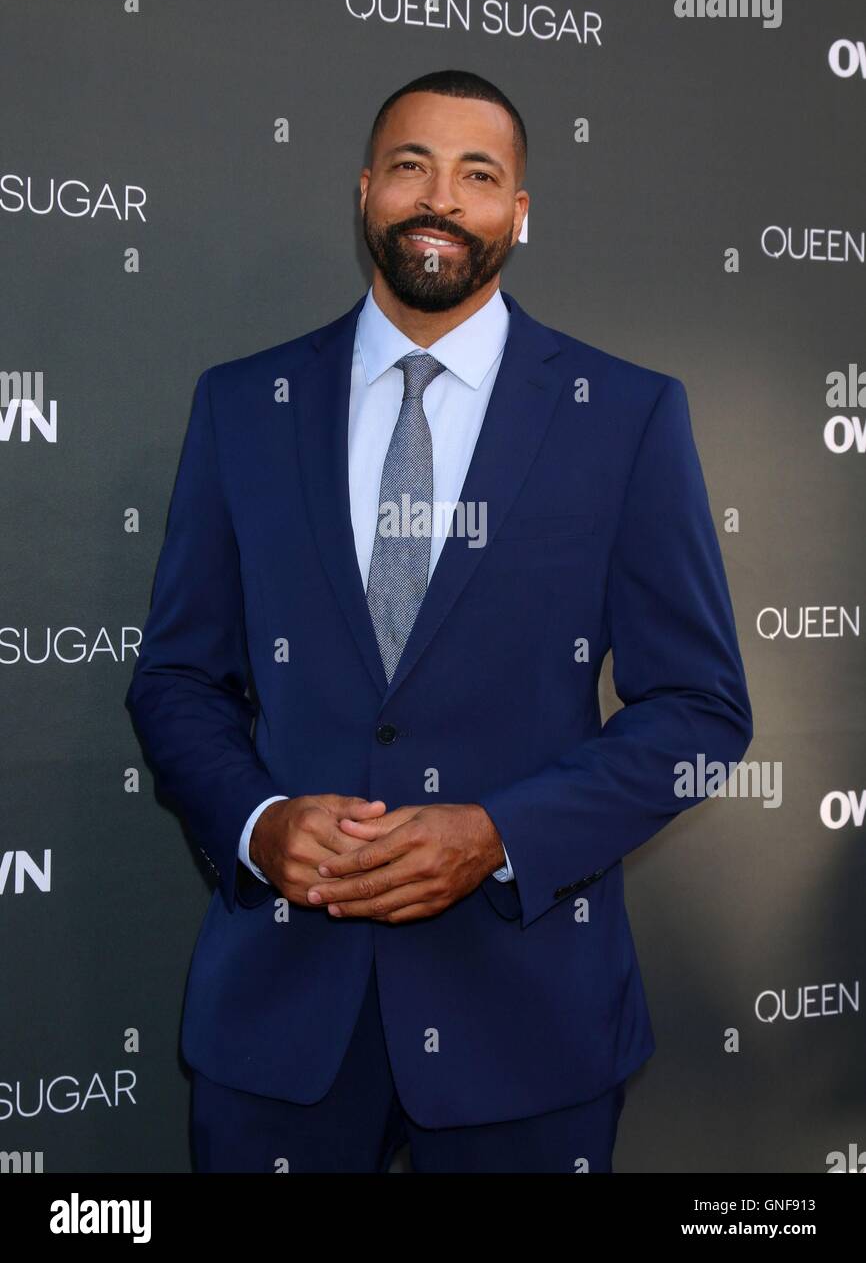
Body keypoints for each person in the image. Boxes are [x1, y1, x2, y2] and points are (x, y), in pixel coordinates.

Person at [125, 68, 752, 1173]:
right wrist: (259, 826)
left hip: (527, 1022)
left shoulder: (625, 416)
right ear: (365, 190)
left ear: (518, 212)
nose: (438, 197)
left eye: (477, 175)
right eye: (411, 165)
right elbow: (177, 678)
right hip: (280, 1018)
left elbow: (698, 711)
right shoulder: (242, 405)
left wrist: (499, 836)